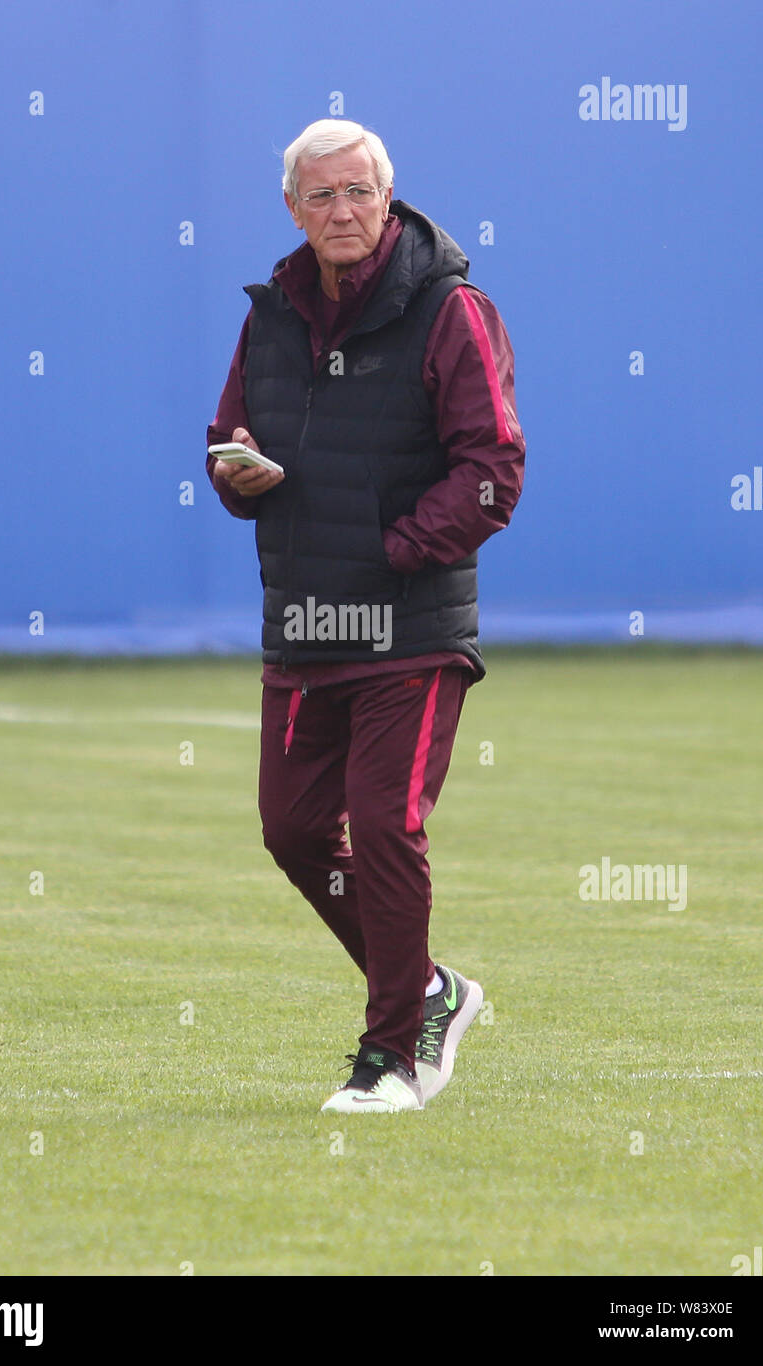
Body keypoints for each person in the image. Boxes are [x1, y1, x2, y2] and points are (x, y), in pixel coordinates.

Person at [205, 118, 525, 1113]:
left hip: (412, 628)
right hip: (304, 625)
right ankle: (431, 987)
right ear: (292, 209)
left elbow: (494, 471)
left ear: (387, 199)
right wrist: (237, 472)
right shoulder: (268, 317)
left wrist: (392, 552)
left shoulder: (452, 309)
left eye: (358, 193)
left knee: (386, 825)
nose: (341, 212)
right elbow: (228, 443)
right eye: (321, 196)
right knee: (295, 831)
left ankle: (391, 1055)